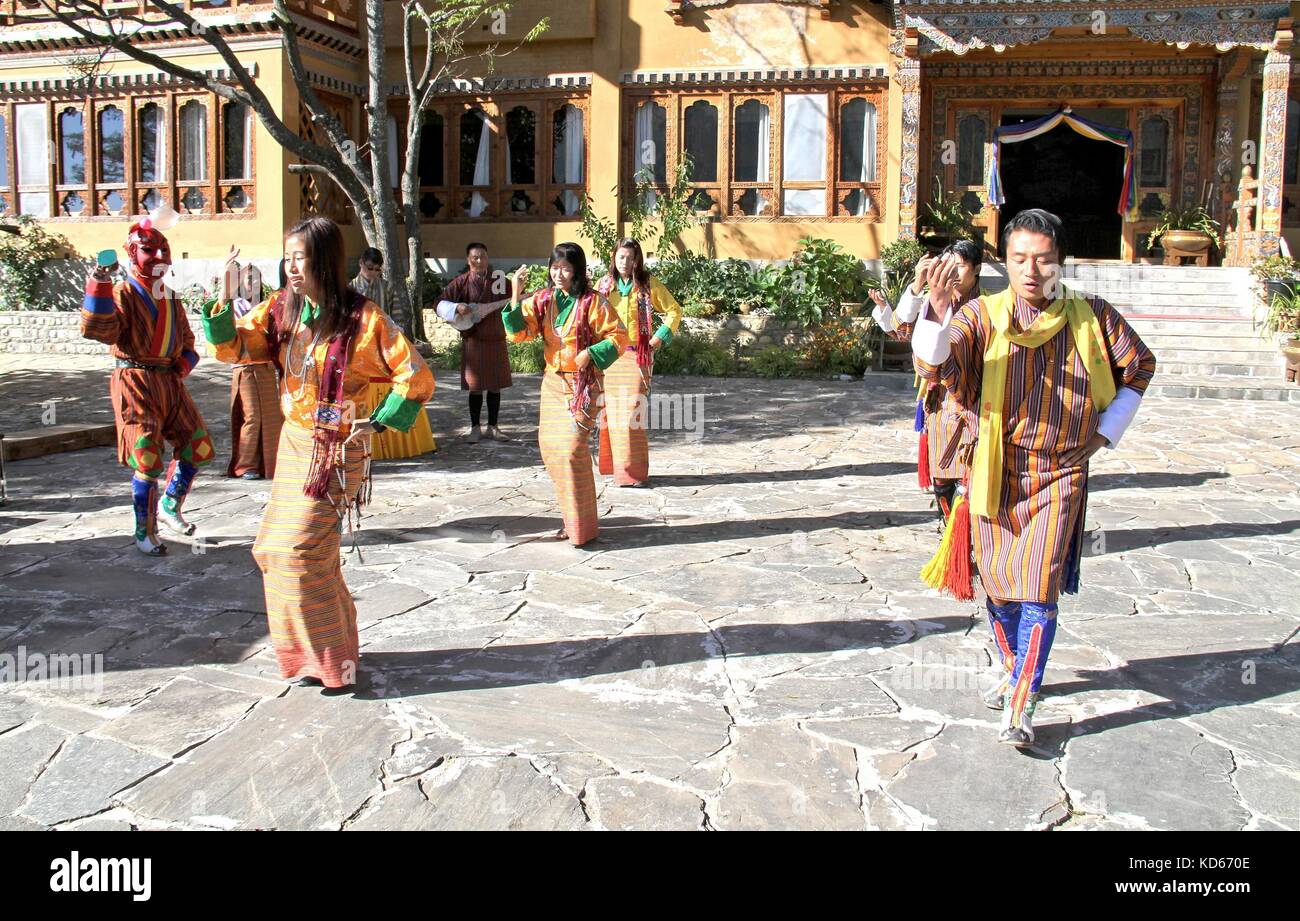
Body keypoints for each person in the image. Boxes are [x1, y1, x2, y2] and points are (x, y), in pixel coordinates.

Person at [912, 209, 1156, 746]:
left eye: (1043, 258)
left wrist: (1105, 433)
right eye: (1019, 257)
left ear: (1061, 261)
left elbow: (1139, 367)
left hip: (1060, 470)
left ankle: (1023, 699)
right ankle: (1013, 664)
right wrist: (936, 309)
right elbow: (935, 365)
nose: (1031, 269)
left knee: (1039, 587)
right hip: (994, 467)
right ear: (1004, 260)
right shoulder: (981, 315)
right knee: (999, 586)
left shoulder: (1093, 317)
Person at [202, 217, 435, 690]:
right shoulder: (280, 312)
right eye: (286, 256)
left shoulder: (363, 319)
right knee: (274, 549)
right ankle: (314, 656)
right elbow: (232, 349)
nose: (291, 266)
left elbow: (415, 376)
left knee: (299, 551)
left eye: (300, 257)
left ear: (324, 261)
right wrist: (224, 300)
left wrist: (378, 421)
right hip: (294, 442)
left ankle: (335, 663)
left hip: (335, 447)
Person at [81, 210, 214, 555]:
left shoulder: (171, 297)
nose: (158, 257)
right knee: (147, 457)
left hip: (169, 382)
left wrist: (181, 367)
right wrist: (100, 283)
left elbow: (187, 342)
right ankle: (146, 529)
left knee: (197, 446)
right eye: (149, 250)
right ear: (132, 254)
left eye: (163, 251)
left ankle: (170, 505)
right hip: (135, 381)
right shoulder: (123, 294)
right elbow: (100, 329)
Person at [503, 242, 628, 546]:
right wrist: (516, 295)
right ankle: (570, 521)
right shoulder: (543, 300)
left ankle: (582, 527)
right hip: (553, 385)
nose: (559, 274)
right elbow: (519, 333)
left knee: (572, 451)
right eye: (554, 267)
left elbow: (619, 337)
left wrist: (591, 353)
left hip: (583, 386)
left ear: (578, 271)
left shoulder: (593, 302)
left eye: (566, 268)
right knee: (553, 451)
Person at [872, 240, 982, 521]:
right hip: (940, 403)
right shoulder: (934, 304)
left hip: (978, 402)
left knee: (973, 478)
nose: (951, 273)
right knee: (943, 475)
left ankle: (972, 537)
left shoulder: (991, 307)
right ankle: (950, 530)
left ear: (977, 268)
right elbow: (900, 330)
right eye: (945, 266)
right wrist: (917, 285)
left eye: (958, 266)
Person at [594, 238, 683, 487]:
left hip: (637, 357)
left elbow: (674, 310)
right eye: (621, 257)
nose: (625, 262)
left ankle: (634, 473)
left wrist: (657, 339)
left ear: (637, 260)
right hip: (609, 357)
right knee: (610, 413)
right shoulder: (603, 286)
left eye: (630, 258)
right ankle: (617, 469)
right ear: (614, 258)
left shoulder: (647, 284)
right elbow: (592, 318)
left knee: (632, 413)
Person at [353, 247, 437, 459]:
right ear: (361, 264)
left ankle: (394, 432)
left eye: (377, 270)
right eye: (370, 268)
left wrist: (396, 332)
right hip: (359, 348)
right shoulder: (351, 289)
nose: (373, 273)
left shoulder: (387, 287)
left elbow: (398, 316)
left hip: (385, 344)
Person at [435, 242, 514, 443]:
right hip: (474, 340)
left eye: (483, 257)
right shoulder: (460, 282)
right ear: (467, 260)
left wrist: (519, 285)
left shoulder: (500, 281)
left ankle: (493, 427)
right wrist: (457, 307)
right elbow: (440, 304)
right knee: (475, 386)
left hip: (495, 338)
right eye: (475, 257)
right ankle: (475, 427)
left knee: (495, 385)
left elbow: (514, 300)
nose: (479, 261)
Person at [226, 261, 284, 479]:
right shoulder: (236, 306)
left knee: (271, 417)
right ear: (241, 282)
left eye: (257, 278)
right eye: (249, 278)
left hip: (266, 367)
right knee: (251, 416)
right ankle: (246, 465)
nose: (254, 282)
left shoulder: (267, 305)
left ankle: (269, 464)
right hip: (244, 367)